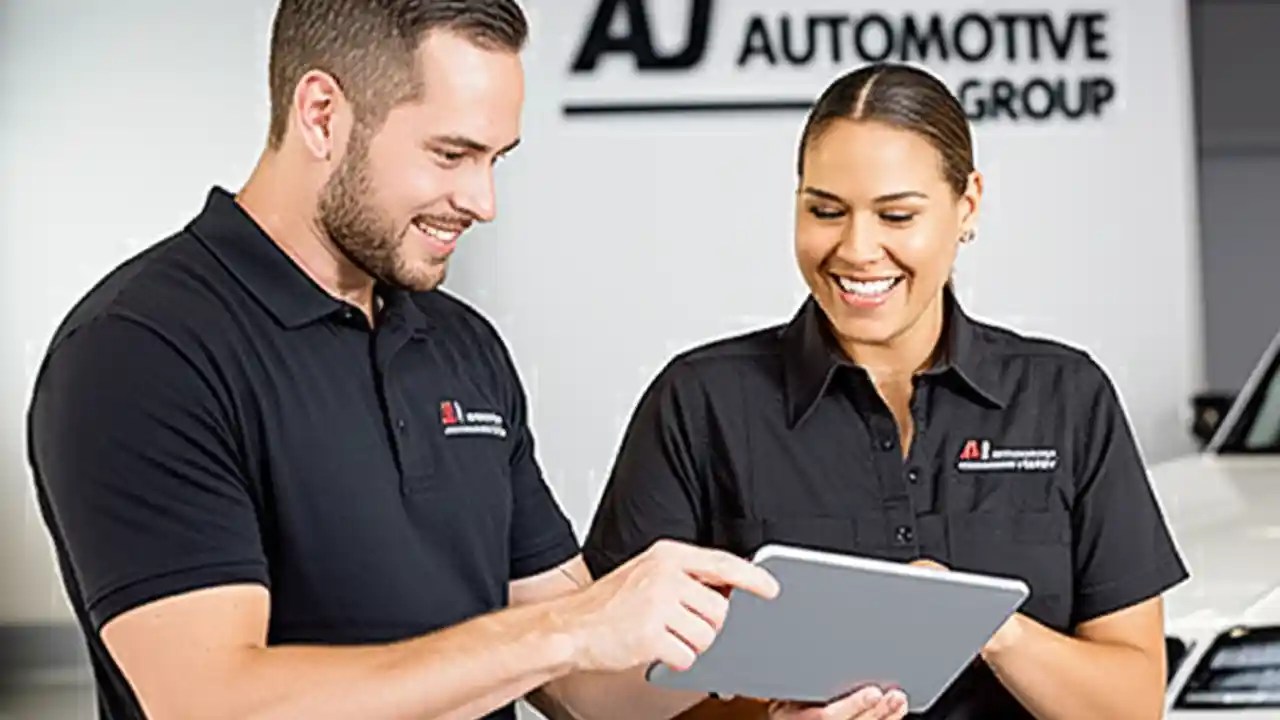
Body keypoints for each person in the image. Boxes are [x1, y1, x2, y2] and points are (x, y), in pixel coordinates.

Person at [22, 3, 811, 719]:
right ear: (322, 114)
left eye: (497, 158)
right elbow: (215, 706)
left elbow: (587, 690)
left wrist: (778, 689)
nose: (482, 200)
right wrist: (566, 629)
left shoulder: (462, 345)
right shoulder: (141, 350)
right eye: (452, 154)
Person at [583, 62, 1189, 719]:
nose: (857, 248)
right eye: (825, 211)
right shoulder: (700, 403)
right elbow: (598, 699)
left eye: (897, 215)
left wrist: (983, 624)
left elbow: (1131, 705)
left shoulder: (1066, 398)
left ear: (968, 206)